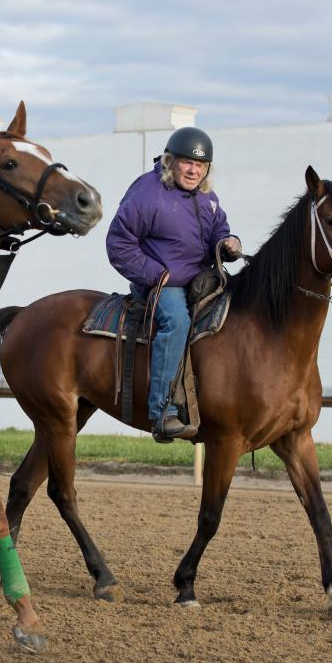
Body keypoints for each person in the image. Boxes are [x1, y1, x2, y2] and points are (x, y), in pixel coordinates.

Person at [105, 127, 242, 442]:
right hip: (160, 283)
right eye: (187, 163)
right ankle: (162, 411)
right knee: (177, 321)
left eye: (201, 165)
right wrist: (156, 274)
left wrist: (228, 242)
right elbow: (118, 243)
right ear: (170, 161)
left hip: (199, 279)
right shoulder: (147, 192)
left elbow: (218, 229)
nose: (194, 171)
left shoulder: (207, 196)